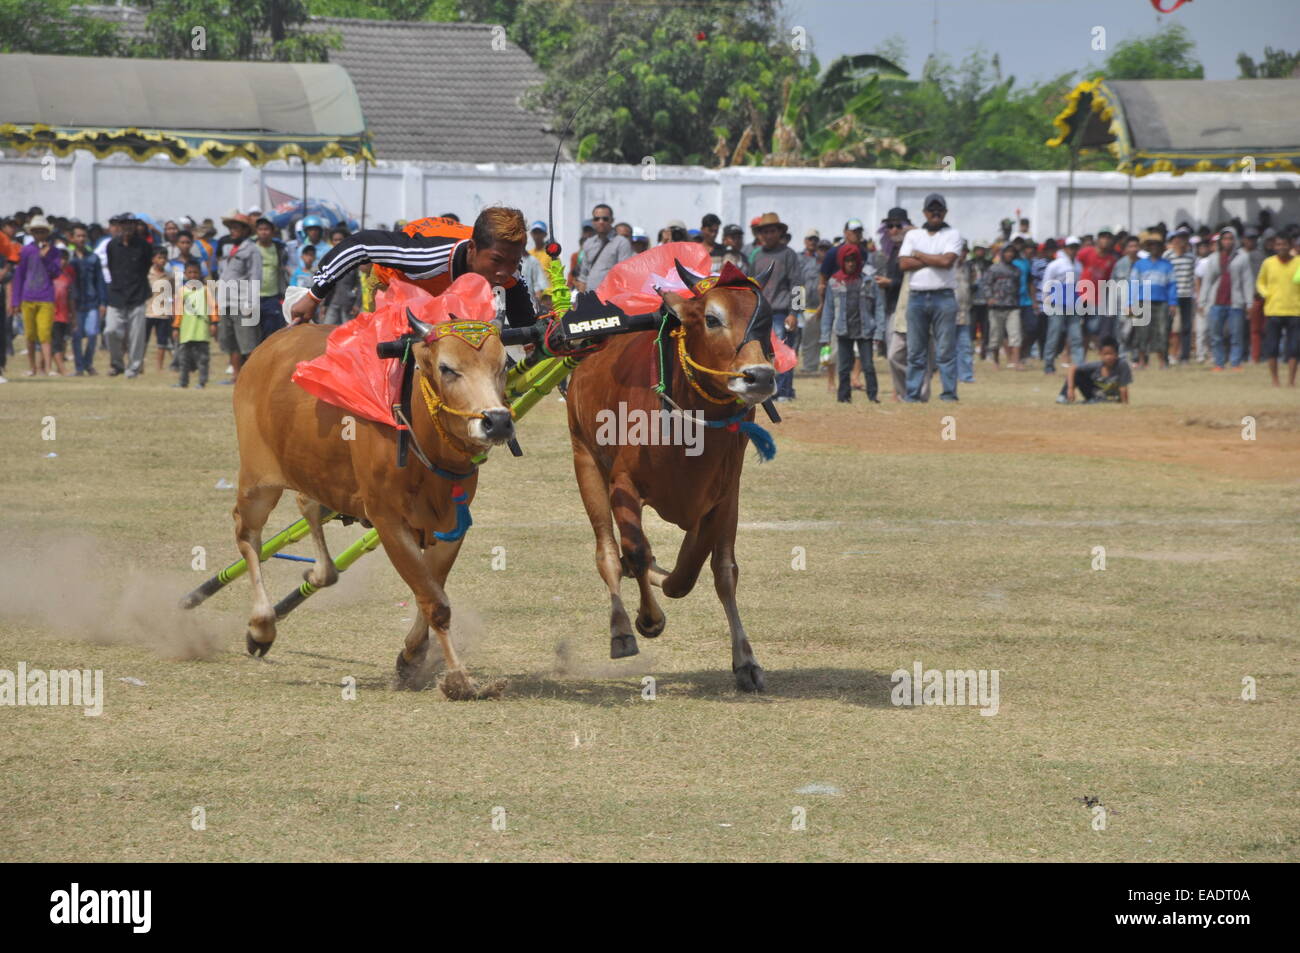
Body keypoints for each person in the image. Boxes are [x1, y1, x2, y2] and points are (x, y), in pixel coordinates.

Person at [291, 207, 537, 329]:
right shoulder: (424, 257)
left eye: (513, 262)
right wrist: (314, 296)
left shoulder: (506, 267)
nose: (504, 272)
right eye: (496, 261)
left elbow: (525, 321)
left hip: (448, 287)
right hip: (397, 281)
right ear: (472, 248)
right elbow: (360, 245)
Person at [898, 193, 962, 402]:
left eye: (939, 210)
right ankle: (913, 394)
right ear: (925, 212)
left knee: (945, 351)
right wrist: (935, 258)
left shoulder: (952, 234)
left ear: (945, 212)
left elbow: (947, 262)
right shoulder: (913, 236)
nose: (935, 213)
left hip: (943, 296)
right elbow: (903, 265)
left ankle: (949, 394)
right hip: (916, 296)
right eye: (931, 210)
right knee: (916, 351)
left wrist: (919, 255)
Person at [749, 212, 802, 401]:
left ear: (779, 232)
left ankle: (785, 392)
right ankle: (765, 392)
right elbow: (750, 285)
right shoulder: (756, 255)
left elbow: (798, 285)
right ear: (760, 234)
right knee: (761, 352)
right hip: (760, 313)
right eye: (765, 232)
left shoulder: (789, 254)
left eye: (772, 231)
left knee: (784, 351)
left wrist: (795, 313)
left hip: (782, 312)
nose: (769, 235)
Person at [824, 243, 879, 403]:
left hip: (864, 330)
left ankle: (873, 396)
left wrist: (879, 331)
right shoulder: (834, 282)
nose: (851, 263)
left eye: (854, 260)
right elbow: (828, 310)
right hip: (843, 330)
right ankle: (844, 397)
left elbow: (879, 307)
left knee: (868, 366)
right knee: (843, 367)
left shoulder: (868, 281)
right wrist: (825, 335)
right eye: (847, 260)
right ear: (842, 261)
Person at [12, 215, 63, 376]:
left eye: (42, 231)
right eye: (36, 231)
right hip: (28, 297)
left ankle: (47, 368)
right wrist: (15, 300)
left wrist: (45, 257)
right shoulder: (26, 250)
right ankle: (33, 367)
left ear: (47, 233)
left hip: (46, 297)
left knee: (45, 334)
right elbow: (19, 276)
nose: (39, 234)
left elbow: (55, 272)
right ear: (32, 233)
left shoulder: (54, 252)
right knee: (30, 335)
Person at [214, 210, 262, 383]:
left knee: (248, 343)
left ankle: (254, 379)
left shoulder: (252, 250)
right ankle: (236, 376)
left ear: (245, 230)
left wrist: (250, 304)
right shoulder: (228, 248)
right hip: (226, 301)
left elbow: (255, 277)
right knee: (230, 342)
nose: (232, 231)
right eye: (231, 227)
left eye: (236, 228)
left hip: (242, 303)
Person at [1198, 227, 1252, 371]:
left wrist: (1249, 302)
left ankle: (1235, 362)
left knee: (1236, 334)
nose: (1227, 242)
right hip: (1216, 301)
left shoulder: (1242, 257)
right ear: (1220, 241)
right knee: (1216, 335)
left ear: (1235, 240)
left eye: (1230, 238)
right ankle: (1219, 362)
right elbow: (1207, 281)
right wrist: (1202, 301)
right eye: (1225, 239)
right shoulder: (1213, 258)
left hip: (1236, 301)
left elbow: (1247, 280)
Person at [1255, 234, 1300, 387]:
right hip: (1273, 310)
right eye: (1279, 244)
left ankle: (1291, 381)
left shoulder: (1298, 262)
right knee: (1272, 347)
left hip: (1295, 311)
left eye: (1285, 244)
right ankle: (1275, 381)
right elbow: (1260, 282)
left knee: (1294, 348)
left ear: (1291, 245)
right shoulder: (1268, 263)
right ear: (1274, 246)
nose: (1282, 247)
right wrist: (1266, 293)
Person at [1131, 231, 1176, 369]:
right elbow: (1133, 283)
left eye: (1157, 245)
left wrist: (1173, 302)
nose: (1154, 247)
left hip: (1161, 302)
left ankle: (1163, 361)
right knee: (1142, 332)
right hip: (1142, 301)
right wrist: (1131, 303)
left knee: (1162, 331)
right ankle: (1142, 362)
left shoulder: (1167, 265)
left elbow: (1172, 285)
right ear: (1148, 247)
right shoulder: (1139, 264)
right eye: (1151, 245)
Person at [67, 223, 107, 376]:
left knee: (92, 334)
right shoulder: (69, 258)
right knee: (76, 335)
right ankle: (78, 368)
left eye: (84, 236)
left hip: (92, 302)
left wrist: (103, 302)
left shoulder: (93, 258)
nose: (82, 239)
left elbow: (100, 281)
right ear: (72, 238)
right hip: (75, 303)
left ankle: (88, 363)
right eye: (78, 236)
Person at [172, 260, 218, 389]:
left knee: (203, 359)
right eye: (190, 272)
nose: (193, 275)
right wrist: (176, 327)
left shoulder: (205, 290)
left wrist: (214, 322)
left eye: (195, 272)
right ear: (185, 274)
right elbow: (178, 311)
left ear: (200, 274)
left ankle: (202, 382)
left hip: (201, 330)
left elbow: (213, 307)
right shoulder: (181, 291)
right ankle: (183, 382)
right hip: (186, 330)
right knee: (183, 359)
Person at [1041, 235, 1083, 374]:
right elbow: (1047, 282)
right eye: (1071, 247)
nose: (1073, 250)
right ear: (1065, 248)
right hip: (1057, 303)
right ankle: (1048, 363)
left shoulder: (1078, 265)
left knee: (1076, 336)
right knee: (1054, 335)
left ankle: (1080, 365)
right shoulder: (1056, 264)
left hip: (1074, 304)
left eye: (1076, 247)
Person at [576, 203, 633, 293]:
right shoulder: (588, 243)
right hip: (590, 296)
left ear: (612, 220)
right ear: (593, 221)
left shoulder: (622, 242)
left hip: (611, 297)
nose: (601, 222)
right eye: (597, 219)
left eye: (605, 219)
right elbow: (583, 276)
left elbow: (625, 275)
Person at [1057, 336, 1131, 404]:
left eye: (1111, 354)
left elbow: (1123, 387)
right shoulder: (1096, 366)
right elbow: (1072, 368)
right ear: (1100, 354)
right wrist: (1070, 389)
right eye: (1105, 354)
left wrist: (1125, 403)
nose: (1108, 357)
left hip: (1111, 398)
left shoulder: (1122, 365)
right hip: (1095, 394)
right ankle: (1063, 396)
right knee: (1077, 373)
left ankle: (1094, 401)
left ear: (1117, 354)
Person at [984, 244, 1023, 369]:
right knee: (995, 335)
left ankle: (1016, 361)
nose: (1009, 254)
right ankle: (995, 362)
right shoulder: (993, 269)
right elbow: (986, 284)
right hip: (996, 307)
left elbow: (1018, 286)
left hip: (1013, 306)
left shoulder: (1016, 270)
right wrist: (989, 298)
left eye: (1012, 252)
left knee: (1015, 334)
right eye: (1007, 252)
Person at [145, 246, 176, 373]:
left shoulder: (169, 276)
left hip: (163, 314)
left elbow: (173, 293)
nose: (162, 260)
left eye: (164, 258)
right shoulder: (147, 275)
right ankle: (139, 365)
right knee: (143, 341)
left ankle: (159, 367)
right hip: (148, 312)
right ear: (153, 259)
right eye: (159, 257)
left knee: (162, 342)